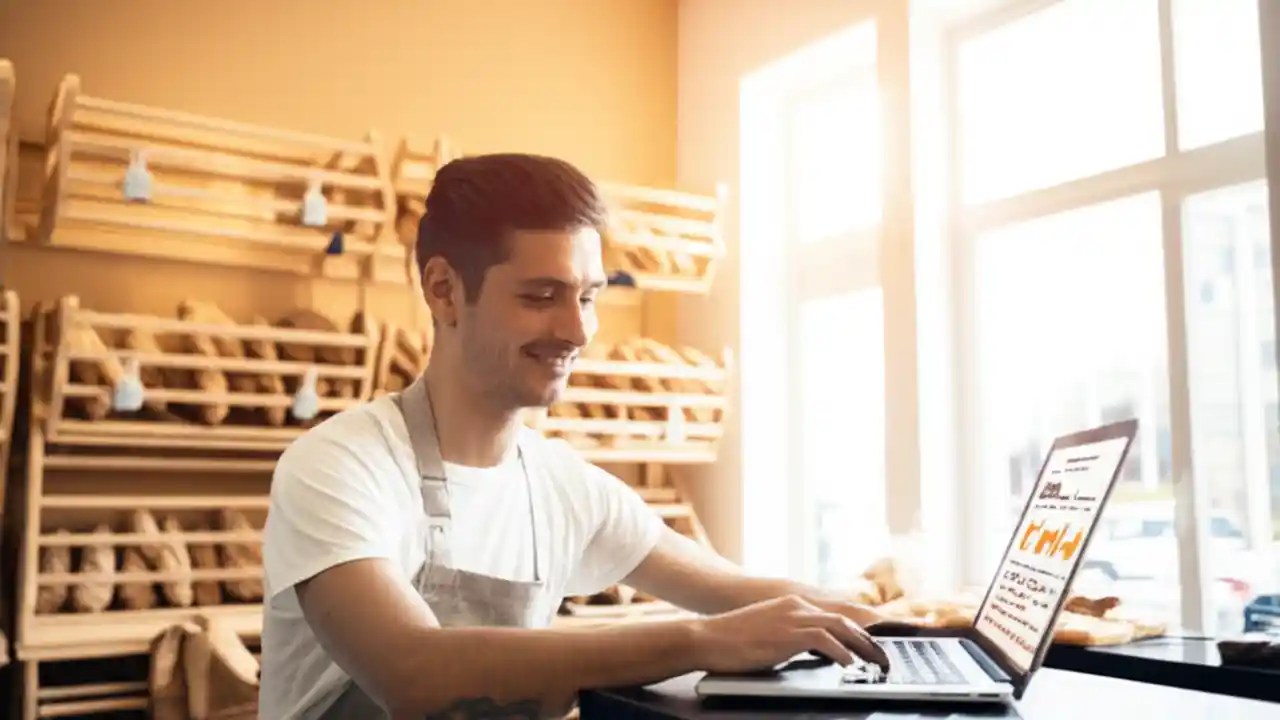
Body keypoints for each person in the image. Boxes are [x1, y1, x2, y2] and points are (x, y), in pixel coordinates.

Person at [258, 153, 891, 720]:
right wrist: (699, 642)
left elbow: (734, 591)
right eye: (542, 296)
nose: (579, 329)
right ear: (444, 290)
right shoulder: (339, 465)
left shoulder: (563, 486)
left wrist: (908, 628)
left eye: (588, 297)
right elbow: (413, 671)